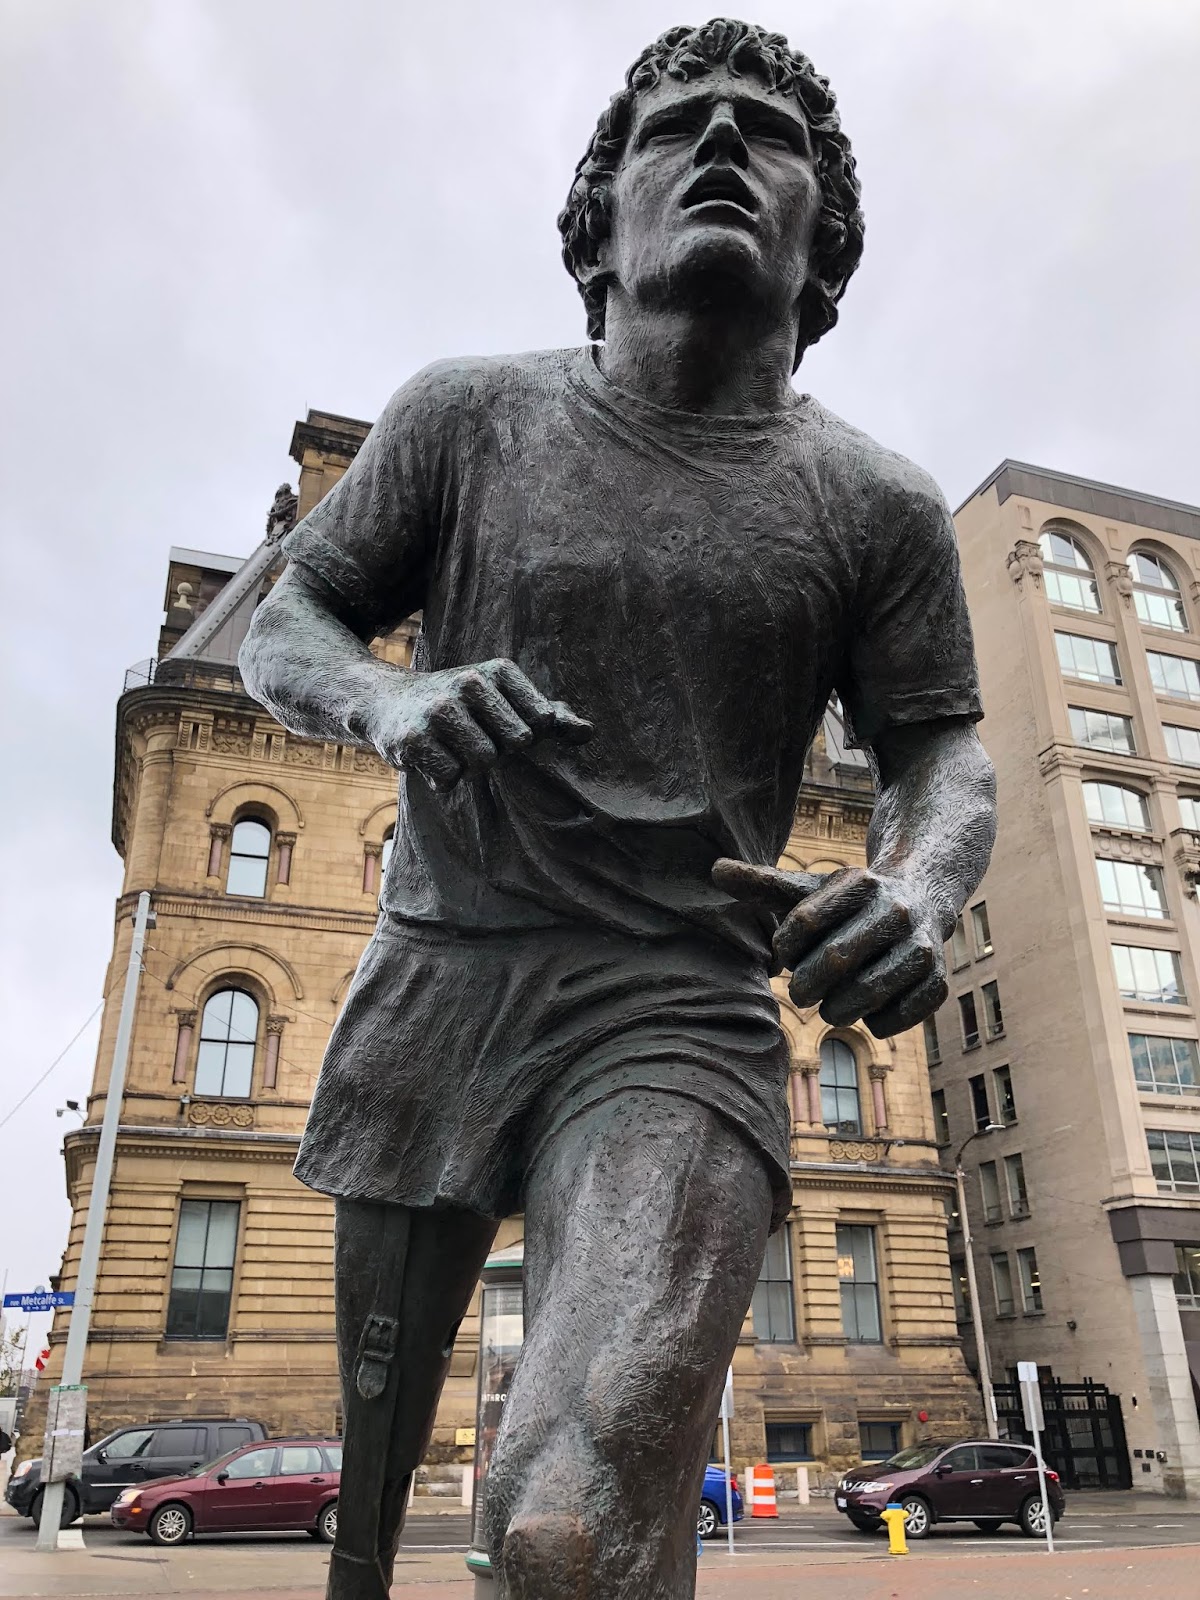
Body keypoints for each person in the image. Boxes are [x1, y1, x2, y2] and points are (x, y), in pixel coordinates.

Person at [239, 19, 995, 1600]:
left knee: (575, 1496)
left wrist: (920, 896)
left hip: (679, 1008)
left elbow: (945, 759)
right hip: (442, 972)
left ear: (822, 246)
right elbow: (287, 623)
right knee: (364, 1528)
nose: (722, 141)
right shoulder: (466, 416)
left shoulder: (877, 507)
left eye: (768, 131)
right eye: (676, 125)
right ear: (598, 226)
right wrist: (388, 698)